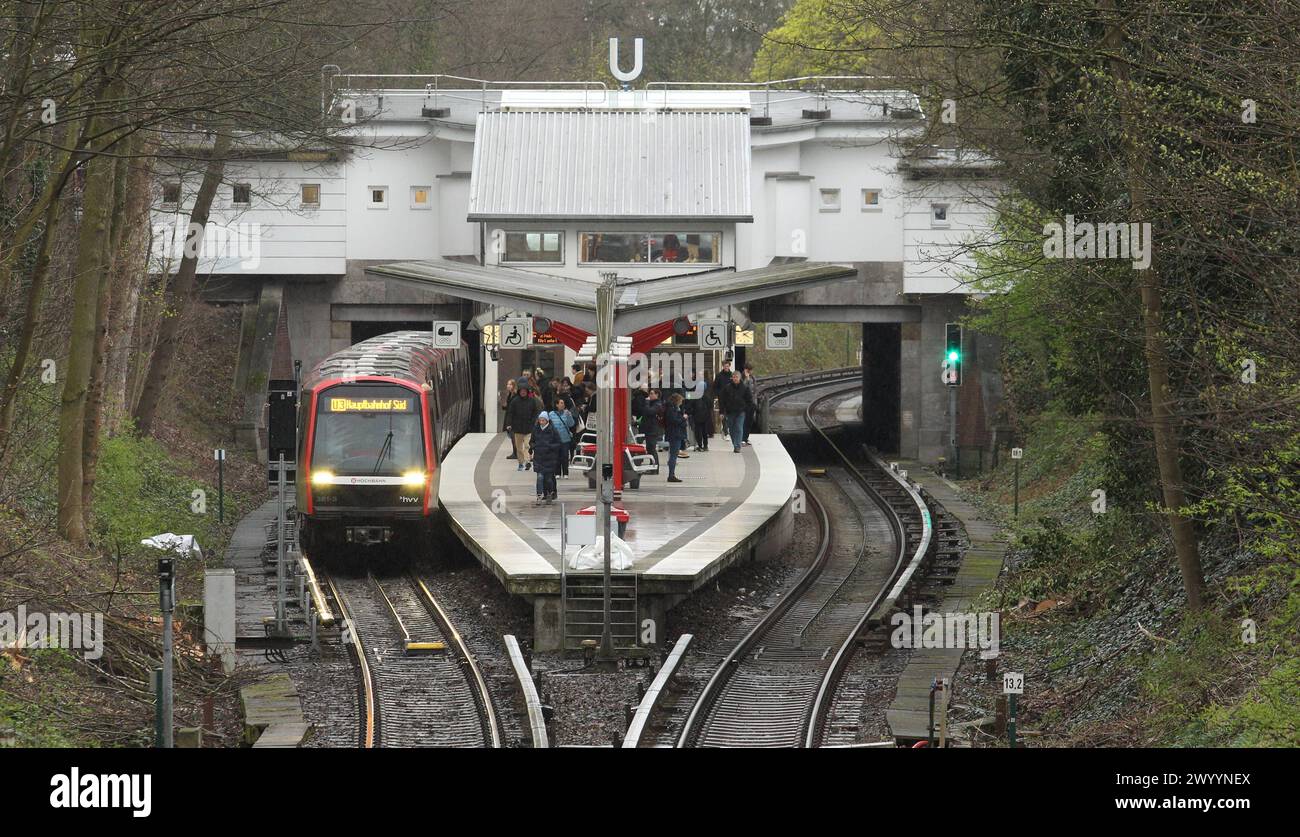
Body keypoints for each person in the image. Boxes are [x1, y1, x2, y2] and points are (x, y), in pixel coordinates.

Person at [507, 385, 544, 471]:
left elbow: (535, 412)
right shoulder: (515, 401)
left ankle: (527, 461)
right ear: (519, 391)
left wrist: (533, 421)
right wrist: (509, 424)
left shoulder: (532, 401)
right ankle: (521, 463)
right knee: (519, 448)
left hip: (529, 428)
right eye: (521, 390)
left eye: (524, 390)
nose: (523, 392)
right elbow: (510, 413)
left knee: (527, 445)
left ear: (527, 391)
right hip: (517, 428)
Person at [529, 412, 563, 504]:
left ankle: (549, 493)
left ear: (547, 420)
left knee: (548, 478)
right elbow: (531, 441)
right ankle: (539, 496)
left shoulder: (552, 430)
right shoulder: (536, 429)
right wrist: (534, 446)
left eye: (543, 420)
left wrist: (550, 447)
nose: (541, 422)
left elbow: (558, 443)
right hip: (538, 457)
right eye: (540, 420)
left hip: (549, 458)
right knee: (540, 477)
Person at [718, 370, 753, 453]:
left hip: (740, 412)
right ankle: (735, 444)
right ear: (732, 378)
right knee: (731, 429)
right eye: (734, 377)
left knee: (739, 427)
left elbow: (749, 400)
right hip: (730, 412)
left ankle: (737, 446)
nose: (735, 379)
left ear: (740, 378)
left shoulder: (744, 388)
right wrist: (721, 412)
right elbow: (722, 401)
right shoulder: (727, 388)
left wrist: (746, 409)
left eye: (737, 377)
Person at [664, 393, 688, 483]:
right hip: (675, 434)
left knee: (673, 454)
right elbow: (675, 421)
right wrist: (683, 418)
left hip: (674, 433)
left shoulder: (674, 408)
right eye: (680, 401)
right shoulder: (672, 409)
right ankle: (671, 475)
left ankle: (672, 474)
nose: (681, 403)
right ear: (677, 401)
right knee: (674, 454)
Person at [548, 398, 575, 477]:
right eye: (561, 403)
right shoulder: (551, 414)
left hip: (565, 438)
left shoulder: (567, 413)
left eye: (563, 403)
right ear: (557, 405)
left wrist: (569, 416)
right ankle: (557, 473)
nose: (563, 405)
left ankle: (565, 473)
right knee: (556, 456)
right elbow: (548, 425)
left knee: (565, 456)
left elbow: (571, 424)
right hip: (555, 439)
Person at [639, 389, 664, 465]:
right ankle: (652, 465)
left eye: (651, 393)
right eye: (650, 393)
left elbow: (649, 412)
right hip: (649, 429)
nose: (649, 395)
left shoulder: (657, 404)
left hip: (653, 430)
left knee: (652, 448)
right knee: (649, 449)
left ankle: (655, 467)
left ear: (657, 395)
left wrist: (647, 402)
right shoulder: (652, 403)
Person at [712, 359, 734, 442]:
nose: (726, 367)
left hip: (731, 398)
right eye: (725, 366)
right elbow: (715, 387)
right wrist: (718, 394)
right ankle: (726, 432)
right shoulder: (719, 375)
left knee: (730, 414)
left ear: (729, 366)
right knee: (723, 414)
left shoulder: (732, 375)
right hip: (722, 398)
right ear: (723, 366)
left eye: (727, 366)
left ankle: (729, 429)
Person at [500, 378, 518, 459]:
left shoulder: (515, 395)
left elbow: (513, 407)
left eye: (510, 384)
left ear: (514, 386)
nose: (508, 386)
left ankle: (516, 453)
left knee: (513, 436)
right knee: (512, 435)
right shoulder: (510, 394)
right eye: (507, 384)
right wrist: (504, 406)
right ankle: (515, 452)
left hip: (513, 419)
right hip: (509, 417)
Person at [741, 363, 757, 446]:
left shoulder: (753, 378)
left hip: (752, 403)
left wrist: (755, 403)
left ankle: (746, 438)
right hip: (744, 403)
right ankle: (742, 439)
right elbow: (743, 388)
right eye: (750, 370)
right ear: (746, 370)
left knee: (749, 422)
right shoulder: (741, 378)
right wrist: (747, 379)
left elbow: (754, 391)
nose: (751, 372)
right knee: (744, 422)